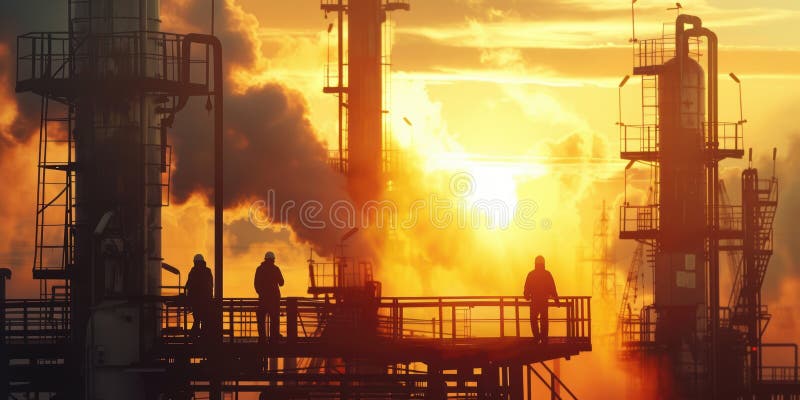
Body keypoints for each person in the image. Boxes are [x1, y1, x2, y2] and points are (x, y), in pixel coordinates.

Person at [523, 255, 558, 344]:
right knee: (544, 320)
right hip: (543, 302)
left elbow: (527, 288)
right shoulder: (547, 274)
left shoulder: (531, 274)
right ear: (543, 264)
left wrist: (526, 296)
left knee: (533, 319)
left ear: (535, 264)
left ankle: (537, 337)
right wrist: (556, 300)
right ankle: (544, 338)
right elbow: (552, 288)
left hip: (535, 301)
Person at [254, 251, 284, 343]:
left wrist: (261, 294)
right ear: (273, 260)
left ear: (265, 259)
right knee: (274, 319)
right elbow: (282, 283)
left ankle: (262, 338)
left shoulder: (259, 269)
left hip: (263, 299)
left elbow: (256, 284)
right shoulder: (275, 269)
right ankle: (273, 338)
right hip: (274, 300)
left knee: (261, 320)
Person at [185, 254, 213, 338]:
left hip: (195, 301)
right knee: (204, 320)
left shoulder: (193, 271)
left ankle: (194, 336)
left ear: (195, 262)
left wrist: (188, 299)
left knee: (197, 319)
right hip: (206, 300)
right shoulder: (208, 271)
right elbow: (211, 285)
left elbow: (188, 285)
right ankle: (204, 337)